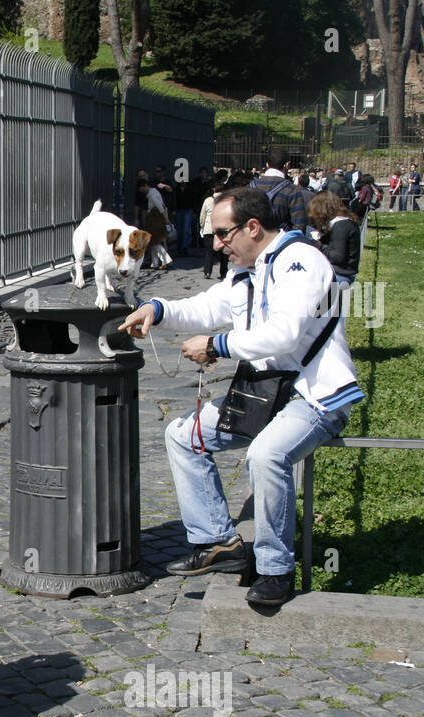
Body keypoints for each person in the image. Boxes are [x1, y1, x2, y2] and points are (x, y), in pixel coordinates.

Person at [118, 187, 363, 607]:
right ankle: (220, 543)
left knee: (266, 455)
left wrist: (216, 347)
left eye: (222, 234)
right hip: (266, 392)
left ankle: (275, 569)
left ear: (252, 227)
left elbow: (283, 333)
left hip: (313, 394)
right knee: (184, 435)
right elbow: (208, 307)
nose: (216, 244)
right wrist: (157, 309)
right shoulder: (248, 268)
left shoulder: (300, 263)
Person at [306, 190, 360, 296]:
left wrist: (316, 244)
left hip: (340, 276)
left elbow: (337, 257)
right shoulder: (345, 222)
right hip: (343, 274)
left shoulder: (341, 226)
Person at [251, 147, 310, 233]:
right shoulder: (292, 190)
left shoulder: (251, 187)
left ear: (267, 165)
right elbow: (299, 226)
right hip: (281, 241)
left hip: (254, 240)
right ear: (287, 165)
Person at [139, 179, 174, 269]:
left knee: (154, 241)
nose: (141, 191)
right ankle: (154, 263)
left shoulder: (152, 195)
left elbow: (159, 207)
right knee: (153, 241)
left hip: (155, 220)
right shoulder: (155, 192)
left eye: (141, 188)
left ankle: (167, 259)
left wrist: (166, 219)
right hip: (158, 219)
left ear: (145, 186)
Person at [200, 182, 228, 279]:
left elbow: (202, 216)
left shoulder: (207, 200)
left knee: (209, 252)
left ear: (214, 190)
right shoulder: (226, 201)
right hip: (223, 229)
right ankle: (224, 272)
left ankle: (207, 271)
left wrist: (202, 227)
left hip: (209, 229)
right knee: (224, 252)